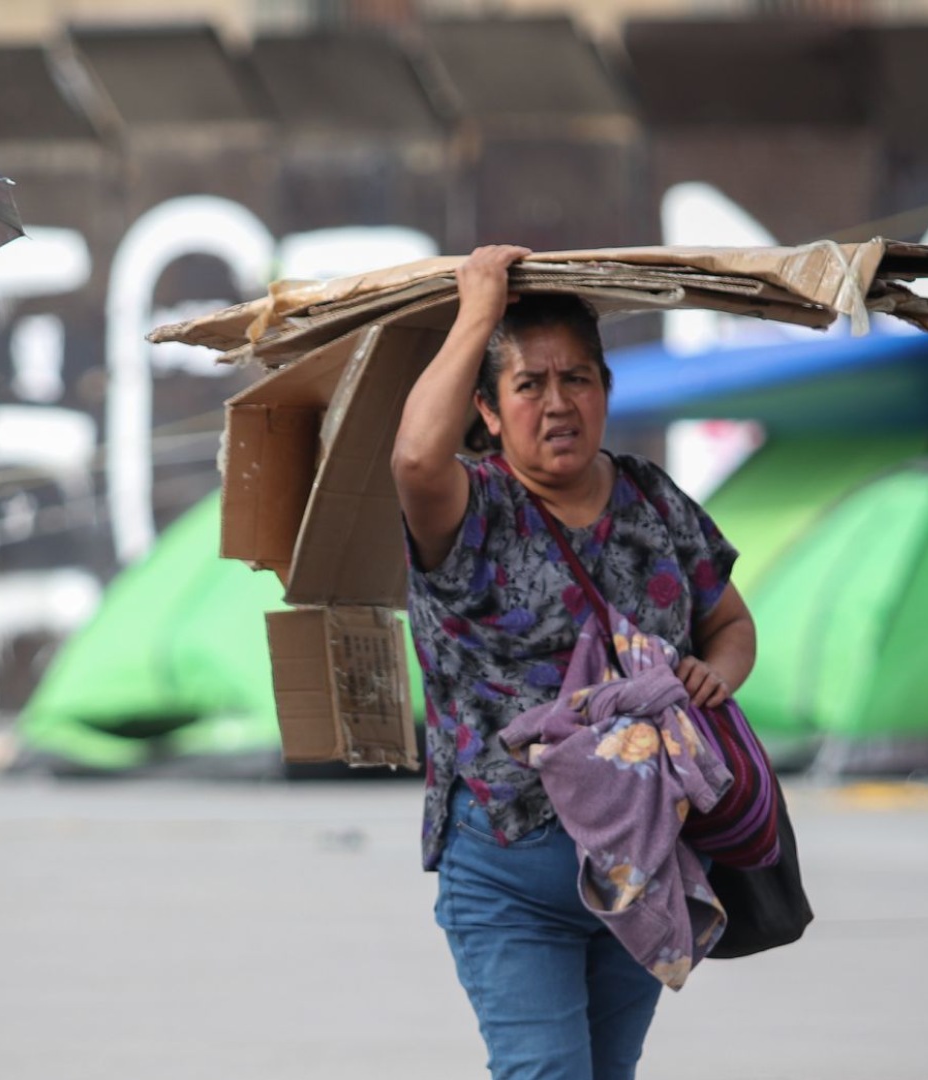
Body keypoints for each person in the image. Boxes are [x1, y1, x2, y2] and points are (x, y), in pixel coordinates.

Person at [391, 246, 758, 1080]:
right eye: (529, 385)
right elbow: (414, 458)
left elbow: (730, 622)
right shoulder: (470, 509)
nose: (557, 403)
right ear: (486, 409)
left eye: (578, 379)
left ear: (605, 390)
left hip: (643, 864)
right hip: (507, 865)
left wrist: (716, 676)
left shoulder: (654, 499)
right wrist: (477, 311)